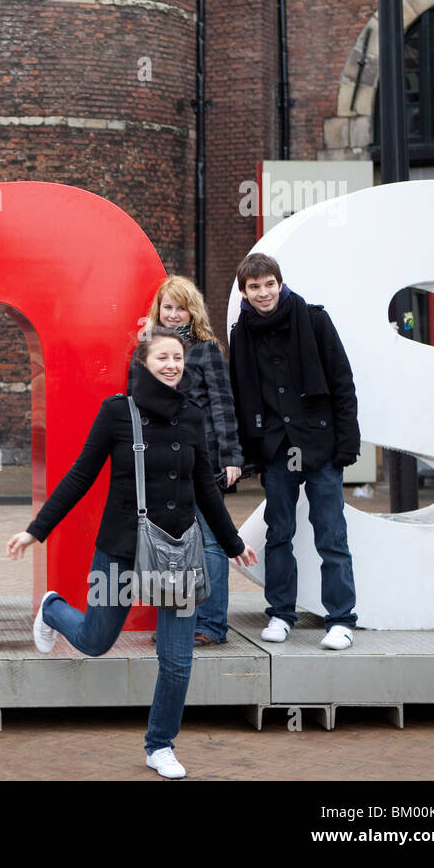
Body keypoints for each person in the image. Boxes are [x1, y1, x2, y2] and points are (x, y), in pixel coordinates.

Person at [7, 327, 258, 779]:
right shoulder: (117, 412)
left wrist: (233, 541)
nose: (172, 365)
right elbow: (81, 475)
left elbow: (204, 487)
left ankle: (159, 745)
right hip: (122, 548)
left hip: (178, 550)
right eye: (162, 356)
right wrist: (36, 531)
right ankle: (53, 610)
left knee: (178, 660)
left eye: (178, 357)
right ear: (143, 362)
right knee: (95, 641)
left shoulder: (192, 415)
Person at [228, 253, 359, 650]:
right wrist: (252, 453)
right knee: (279, 533)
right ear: (245, 293)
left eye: (269, 284)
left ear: (280, 284)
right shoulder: (242, 332)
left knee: (331, 534)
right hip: (276, 447)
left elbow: (342, 383)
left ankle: (341, 619)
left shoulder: (314, 320)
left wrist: (346, 445)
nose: (263, 292)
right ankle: (281, 613)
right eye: (254, 287)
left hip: (320, 444)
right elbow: (240, 393)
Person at [129, 276, 244, 647]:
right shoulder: (147, 350)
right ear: (158, 309)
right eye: (168, 306)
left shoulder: (206, 350)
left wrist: (231, 457)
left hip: (203, 459)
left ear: (191, 310)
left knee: (210, 543)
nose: (174, 313)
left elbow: (224, 405)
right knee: (172, 544)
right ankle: (177, 625)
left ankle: (211, 625)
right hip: (161, 463)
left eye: (180, 307)